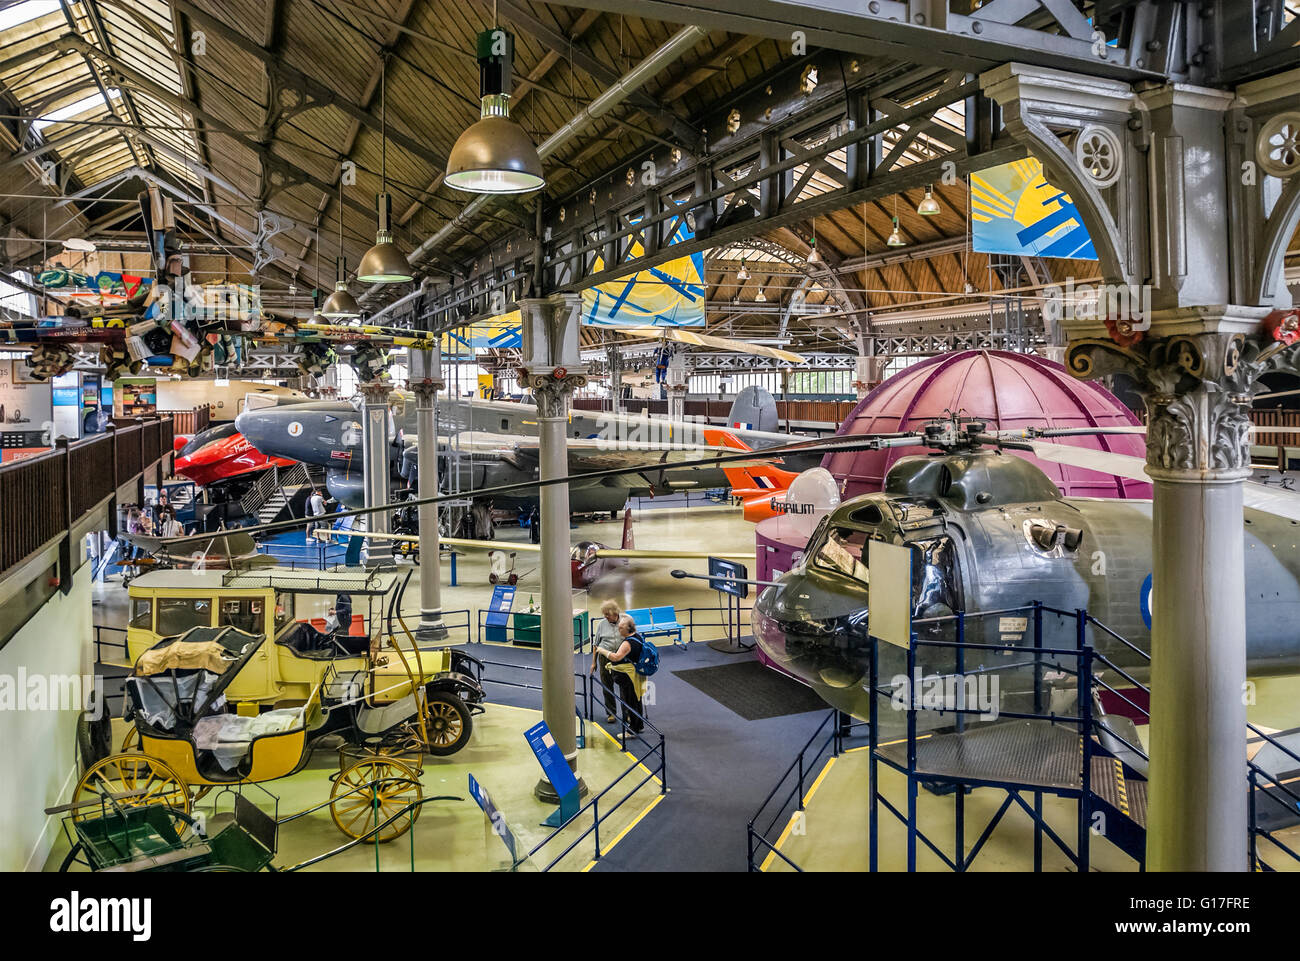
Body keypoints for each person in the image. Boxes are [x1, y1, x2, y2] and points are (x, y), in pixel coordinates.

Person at [603, 615, 646, 734]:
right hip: (636, 675)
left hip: (629, 677)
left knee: (630, 701)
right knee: (637, 700)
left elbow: (616, 657)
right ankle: (639, 724)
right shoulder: (638, 637)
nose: (619, 630)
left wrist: (603, 651)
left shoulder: (628, 643)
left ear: (628, 629)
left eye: (621, 628)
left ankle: (632, 729)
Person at [589, 600, 624, 723]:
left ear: (615, 613)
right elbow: (595, 644)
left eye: (607, 614)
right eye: (604, 614)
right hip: (604, 657)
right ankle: (611, 713)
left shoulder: (625, 621)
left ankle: (628, 713)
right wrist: (594, 663)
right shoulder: (602, 624)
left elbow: (633, 638)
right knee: (607, 685)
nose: (605, 616)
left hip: (621, 657)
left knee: (625, 686)